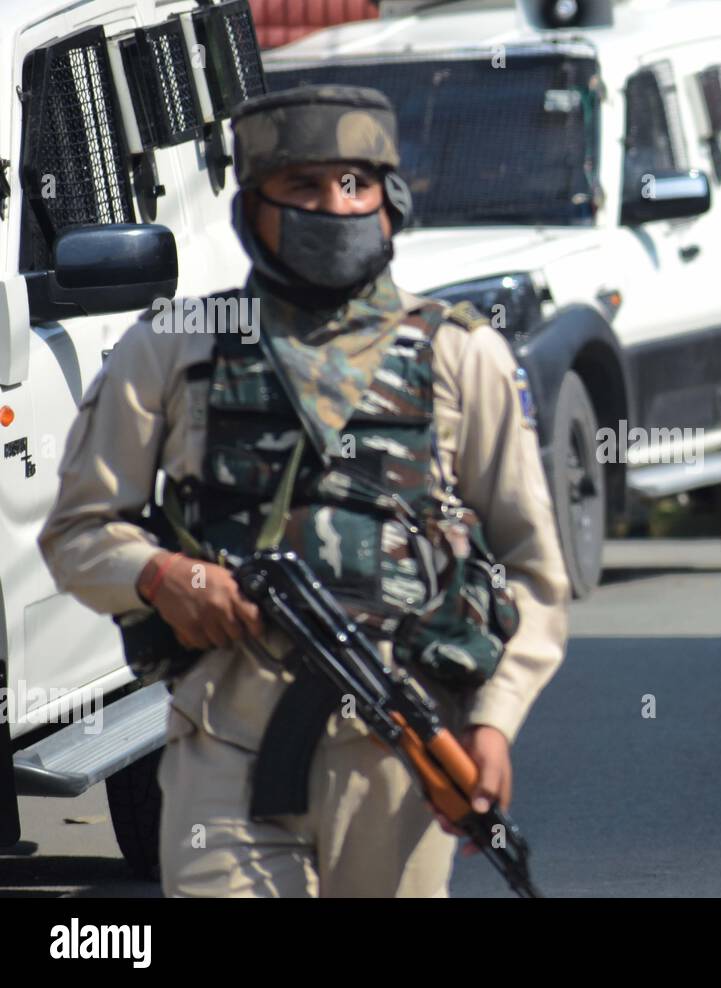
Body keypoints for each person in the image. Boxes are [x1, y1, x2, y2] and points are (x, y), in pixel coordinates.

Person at [39, 85, 569, 897]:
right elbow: (79, 529)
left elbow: (532, 569)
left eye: (355, 185)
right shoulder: (173, 350)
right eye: (304, 188)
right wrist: (164, 576)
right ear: (254, 208)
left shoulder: (462, 355)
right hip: (223, 744)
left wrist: (494, 720)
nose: (336, 207)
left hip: (394, 758)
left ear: (390, 203)